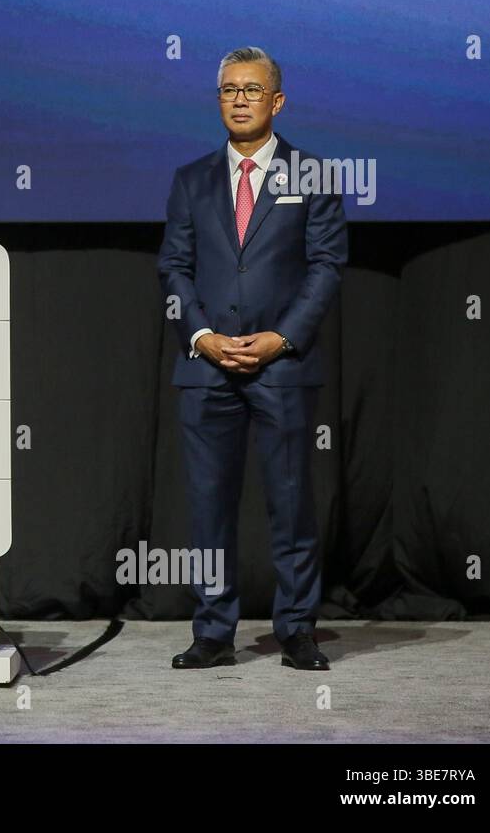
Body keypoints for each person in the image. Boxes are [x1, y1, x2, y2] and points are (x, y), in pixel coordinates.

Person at [157, 46, 347, 672]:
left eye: (252, 90)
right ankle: (213, 631)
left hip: (282, 366)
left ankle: (296, 629)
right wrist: (202, 335)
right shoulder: (191, 179)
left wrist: (281, 338)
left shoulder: (313, 174)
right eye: (229, 90)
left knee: (290, 503)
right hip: (206, 365)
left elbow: (326, 266)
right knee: (210, 506)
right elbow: (175, 268)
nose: (239, 99)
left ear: (277, 101)